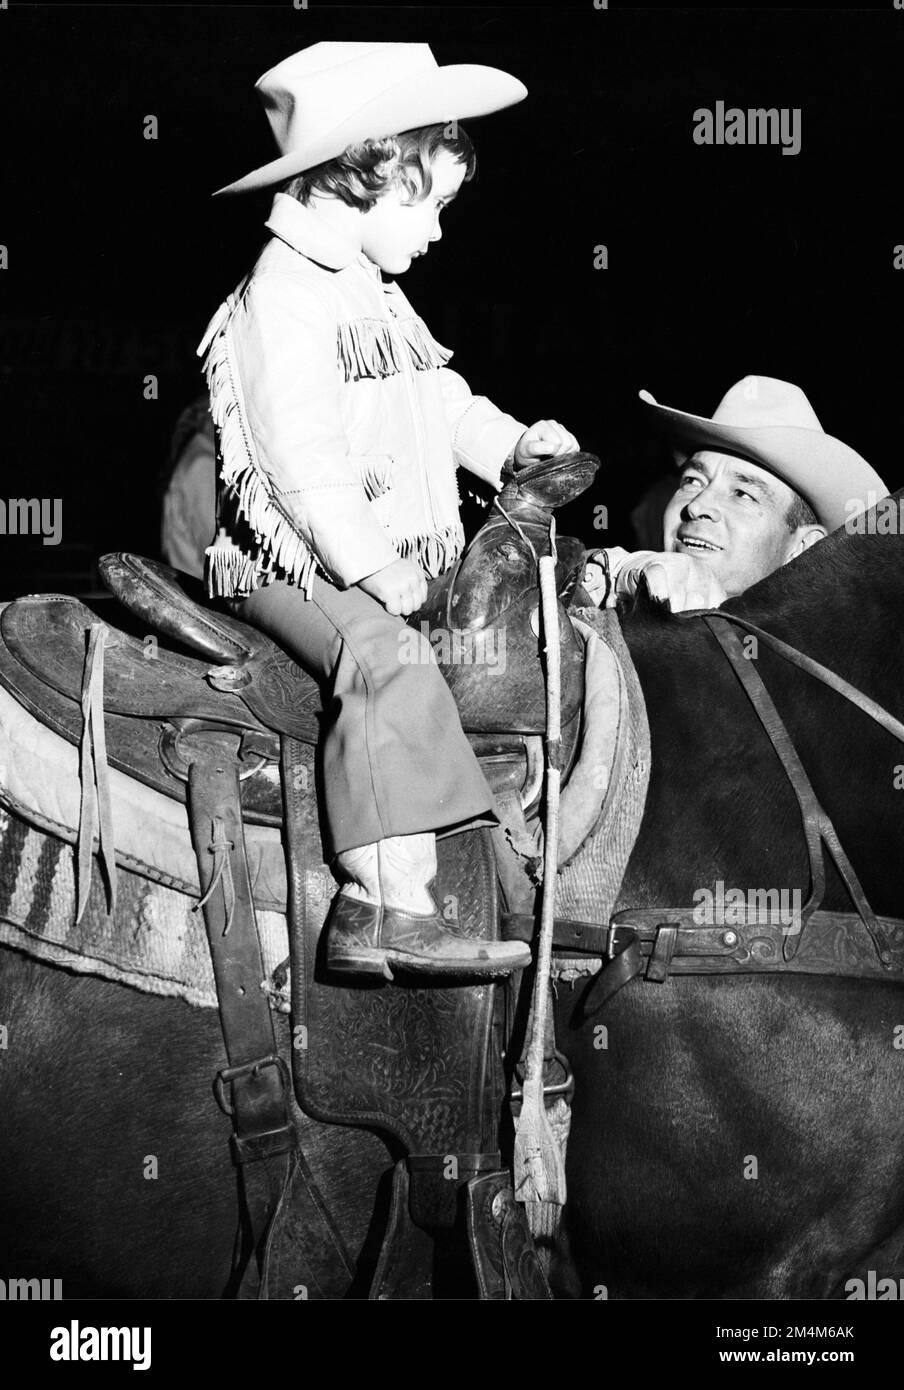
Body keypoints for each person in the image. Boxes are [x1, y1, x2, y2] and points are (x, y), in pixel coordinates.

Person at [198, 42, 581, 980]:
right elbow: (298, 461)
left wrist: (512, 443)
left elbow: (439, 401)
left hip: (367, 557)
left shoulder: (373, 293)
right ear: (362, 174)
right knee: (391, 661)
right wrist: (371, 563)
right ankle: (380, 904)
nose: (441, 232)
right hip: (293, 566)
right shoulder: (282, 299)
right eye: (432, 204)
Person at [584, 375, 887, 611]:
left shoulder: (814, 681)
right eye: (692, 481)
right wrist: (618, 574)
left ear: (803, 548)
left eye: (742, 493)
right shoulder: (611, 614)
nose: (697, 505)